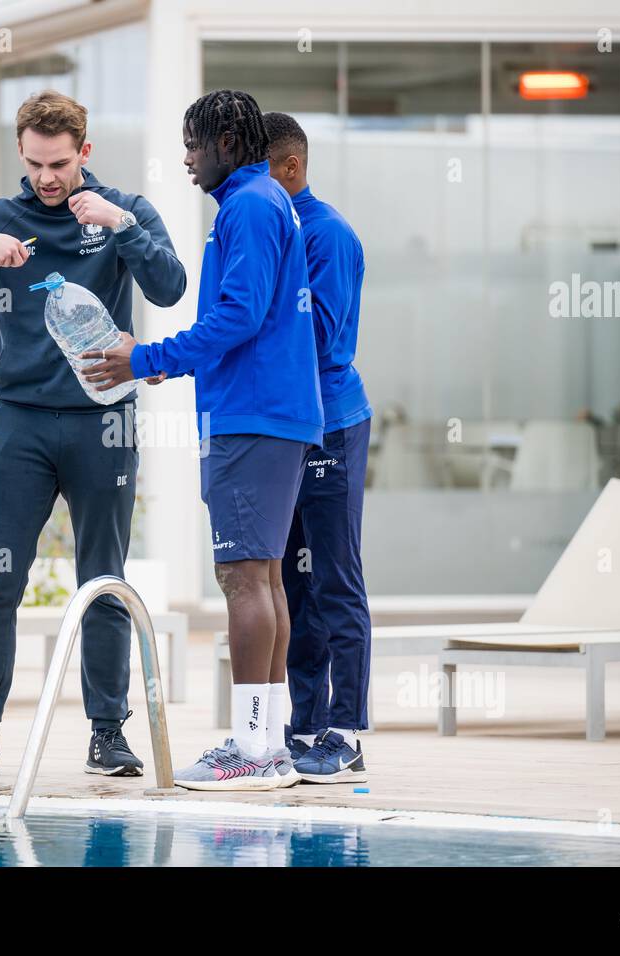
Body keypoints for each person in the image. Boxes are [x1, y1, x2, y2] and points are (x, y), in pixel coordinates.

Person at [0, 90, 186, 777]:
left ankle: (108, 734)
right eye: (34, 164)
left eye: (58, 163)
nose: (47, 178)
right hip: (21, 424)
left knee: (104, 580)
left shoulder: (123, 212)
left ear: (83, 152)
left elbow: (171, 288)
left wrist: (122, 226)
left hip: (103, 423)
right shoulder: (0, 219)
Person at [83, 90, 322, 790]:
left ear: (224, 140)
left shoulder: (248, 205)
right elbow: (243, 319)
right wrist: (176, 361)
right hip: (269, 413)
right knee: (266, 576)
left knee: (242, 577)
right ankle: (269, 742)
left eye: (192, 145)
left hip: (255, 416)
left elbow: (240, 316)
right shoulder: (262, 202)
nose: (185, 160)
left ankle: (251, 748)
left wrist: (147, 357)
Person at [264, 111, 372, 783]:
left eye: (260, 171)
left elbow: (323, 341)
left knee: (335, 578)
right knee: (294, 583)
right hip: (287, 426)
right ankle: (304, 725)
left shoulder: (328, 234)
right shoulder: (274, 228)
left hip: (331, 422)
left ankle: (347, 730)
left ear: (291, 168)